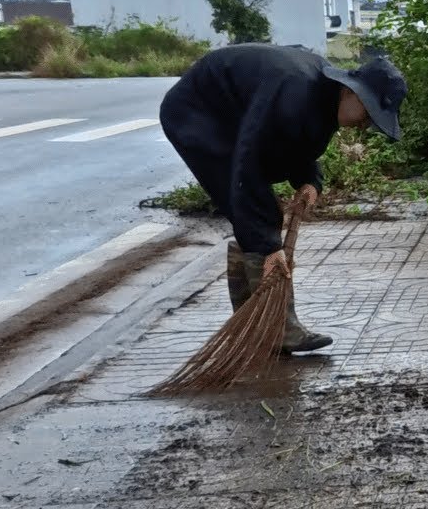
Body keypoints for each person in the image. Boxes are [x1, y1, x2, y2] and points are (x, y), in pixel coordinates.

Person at [159, 42, 407, 353]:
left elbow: (299, 141)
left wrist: (309, 181)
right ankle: (275, 329)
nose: (367, 124)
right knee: (254, 208)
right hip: (198, 114)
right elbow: (248, 166)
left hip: (237, 115)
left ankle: (256, 325)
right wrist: (270, 247)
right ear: (350, 91)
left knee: (256, 215)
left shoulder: (322, 97)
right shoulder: (293, 92)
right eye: (369, 113)